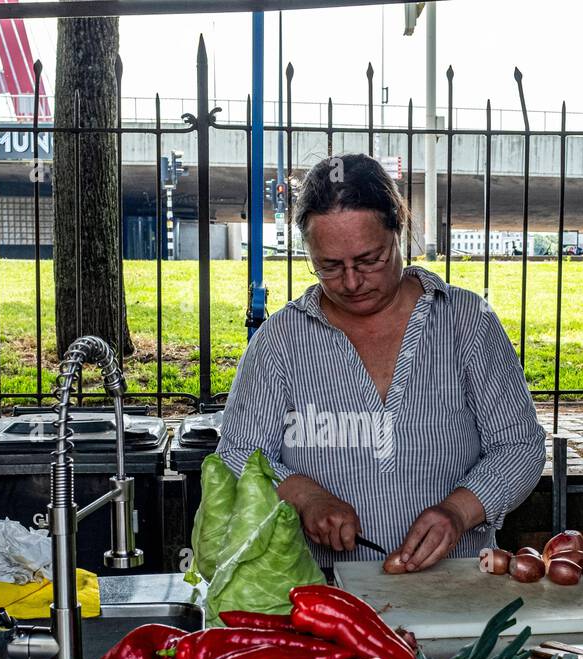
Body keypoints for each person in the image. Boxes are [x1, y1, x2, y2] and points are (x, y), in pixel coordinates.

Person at [216, 153, 546, 573]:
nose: (352, 282)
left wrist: (460, 512)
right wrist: (304, 496)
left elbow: (520, 445)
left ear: (398, 230)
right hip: (325, 591)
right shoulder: (281, 340)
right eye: (330, 267)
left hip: (457, 582)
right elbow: (238, 452)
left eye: (369, 260)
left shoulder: (466, 322)